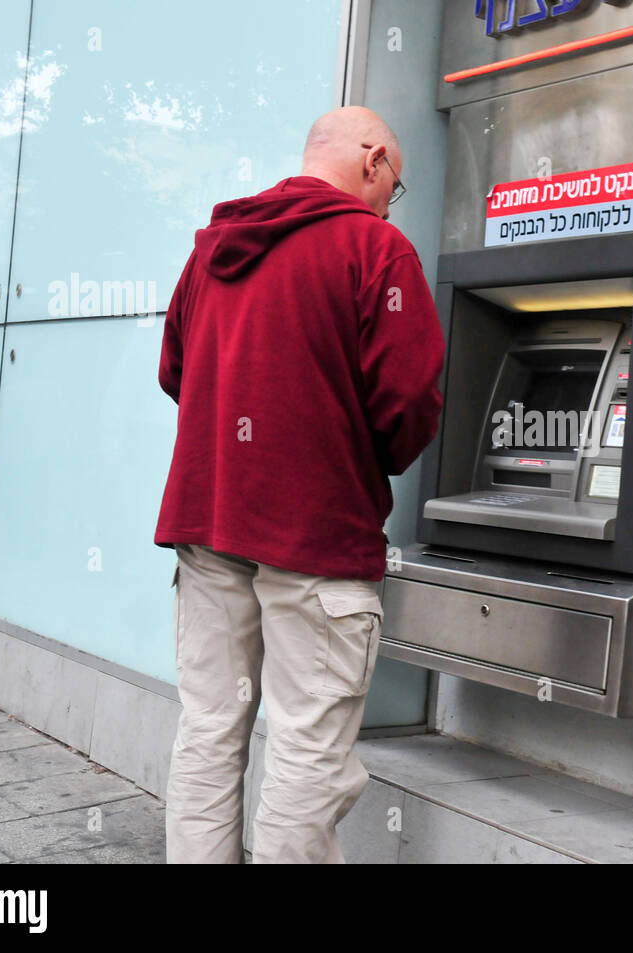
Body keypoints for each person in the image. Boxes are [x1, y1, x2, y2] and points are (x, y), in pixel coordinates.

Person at [154, 107, 444, 864]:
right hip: (318, 537)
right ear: (373, 160)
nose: (390, 204)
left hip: (209, 525)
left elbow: (176, 372)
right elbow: (409, 402)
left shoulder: (214, 247)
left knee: (208, 728)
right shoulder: (376, 248)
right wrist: (352, 453)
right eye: (394, 185)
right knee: (306, 748)